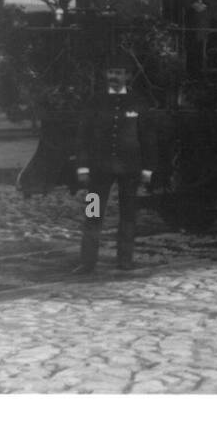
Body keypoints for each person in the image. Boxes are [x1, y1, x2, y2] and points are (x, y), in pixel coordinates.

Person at [73, 58, 157, 275]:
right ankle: (87, 261)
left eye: (119, 72)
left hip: (130, 170)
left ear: (128, 76)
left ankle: (125, 260)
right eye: (111, 71)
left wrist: (147, 170)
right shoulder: (95, 101)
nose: (114, 76)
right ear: (106, 75)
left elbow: (148, 138)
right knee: (93, 213)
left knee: (128, 215)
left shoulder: (138, 101)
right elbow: (83, 136)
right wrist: (83, 169)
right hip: (99, 170)